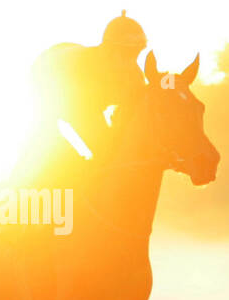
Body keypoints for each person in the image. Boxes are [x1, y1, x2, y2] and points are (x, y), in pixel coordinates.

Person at [13, 11, 148, 185]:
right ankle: (18, 185)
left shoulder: (134, 75)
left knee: (111, 150)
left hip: (85, 97)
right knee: (49, 149)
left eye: (135, 54)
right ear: (108, 49)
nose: (130, 61)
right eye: (126, 53)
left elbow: (135, 120)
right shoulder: (87, 68)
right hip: (49, 81)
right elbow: (81, 119)